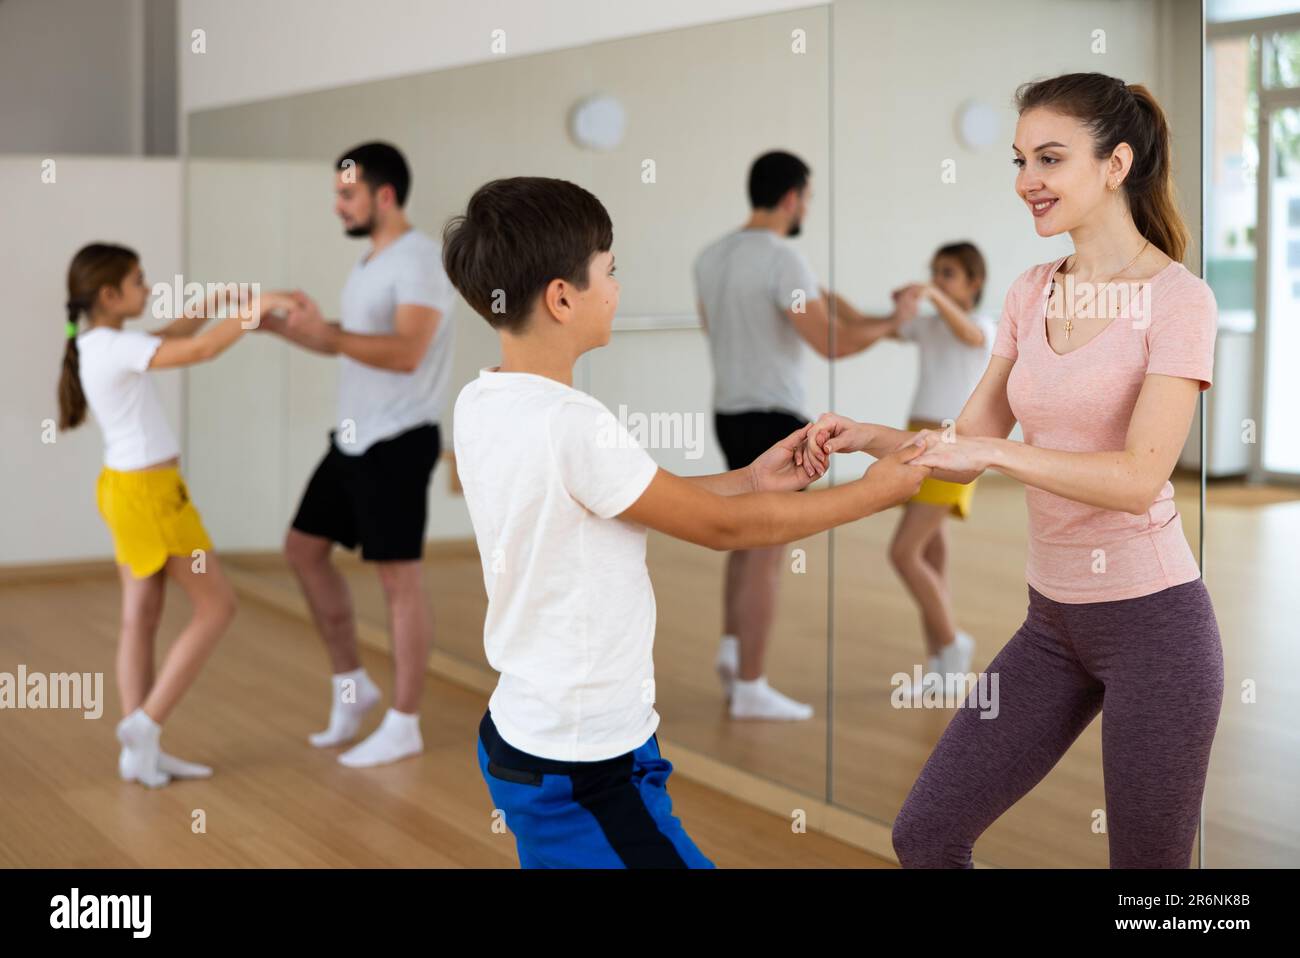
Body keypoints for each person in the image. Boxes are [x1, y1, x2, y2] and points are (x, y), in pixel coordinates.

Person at [443, 175, 930, 868]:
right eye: (609, 272)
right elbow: (722, 531)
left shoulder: (484, 400)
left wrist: (751, 479)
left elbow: (634, 495)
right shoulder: (573, 423)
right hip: (582, 765)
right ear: (561, 297)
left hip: (542, 736)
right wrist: (877, 491)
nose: (616, 287)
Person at [805, 73, 1221, 868]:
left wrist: (991, 452)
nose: (1027, 180)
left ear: (1116, 164)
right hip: (1052, 626)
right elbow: (967, 444)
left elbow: (1138, 478)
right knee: (926, 834)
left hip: (1155, 627)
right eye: (1020, 159)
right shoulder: (1032, 291)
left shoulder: (1178, 300)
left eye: (1050, 158)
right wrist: (872, 437)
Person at [693, 149, 919, 720]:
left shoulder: (712, 258)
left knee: (745, 538)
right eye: (809, 198)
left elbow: (829, 314)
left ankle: (731, 651)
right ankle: (751, 685)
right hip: (774, 419)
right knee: (769, 550)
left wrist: (884, 324)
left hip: (729, 410)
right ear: (793, 197)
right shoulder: (781, 260)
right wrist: (894, 323)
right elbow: (832, 342)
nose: (807, 208)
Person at [58, 242, 286, 787]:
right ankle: (145, 724)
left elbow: (170, 341)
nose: (148, 287)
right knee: (217, 606)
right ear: (110, 294)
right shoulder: (112, 346)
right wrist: (258, 309)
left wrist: (213, 303)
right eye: (139, 281)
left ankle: (140, 750)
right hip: (153, 499)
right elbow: (203, 352)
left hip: (126, 491)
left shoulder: (99, 342)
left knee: (141, 615)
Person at [259, 142, 455, 768]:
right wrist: (279, 327)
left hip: (398, 443)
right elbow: (350, 345)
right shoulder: (371, 263)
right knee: (303, 550)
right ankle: (353, 687)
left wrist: (332, 333)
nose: (338, 206)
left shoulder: (420, 260)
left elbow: (405, 353)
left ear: (385, 195)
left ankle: (405, 721)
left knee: (399, 580)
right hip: (352, 438)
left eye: (347, 194)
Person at [885, 242, 998, 699]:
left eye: (948, 273)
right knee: (930, 554)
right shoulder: (930, 326)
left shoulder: (983, 327)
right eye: (935, 272)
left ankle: (952, 644)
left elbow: (970, 336)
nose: (938, 279)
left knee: (903, 552)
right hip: (917, 440)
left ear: (974, 283)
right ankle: (940, 664)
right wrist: (902, 303)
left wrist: (932, 296)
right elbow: (891, 329)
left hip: (951, 449)